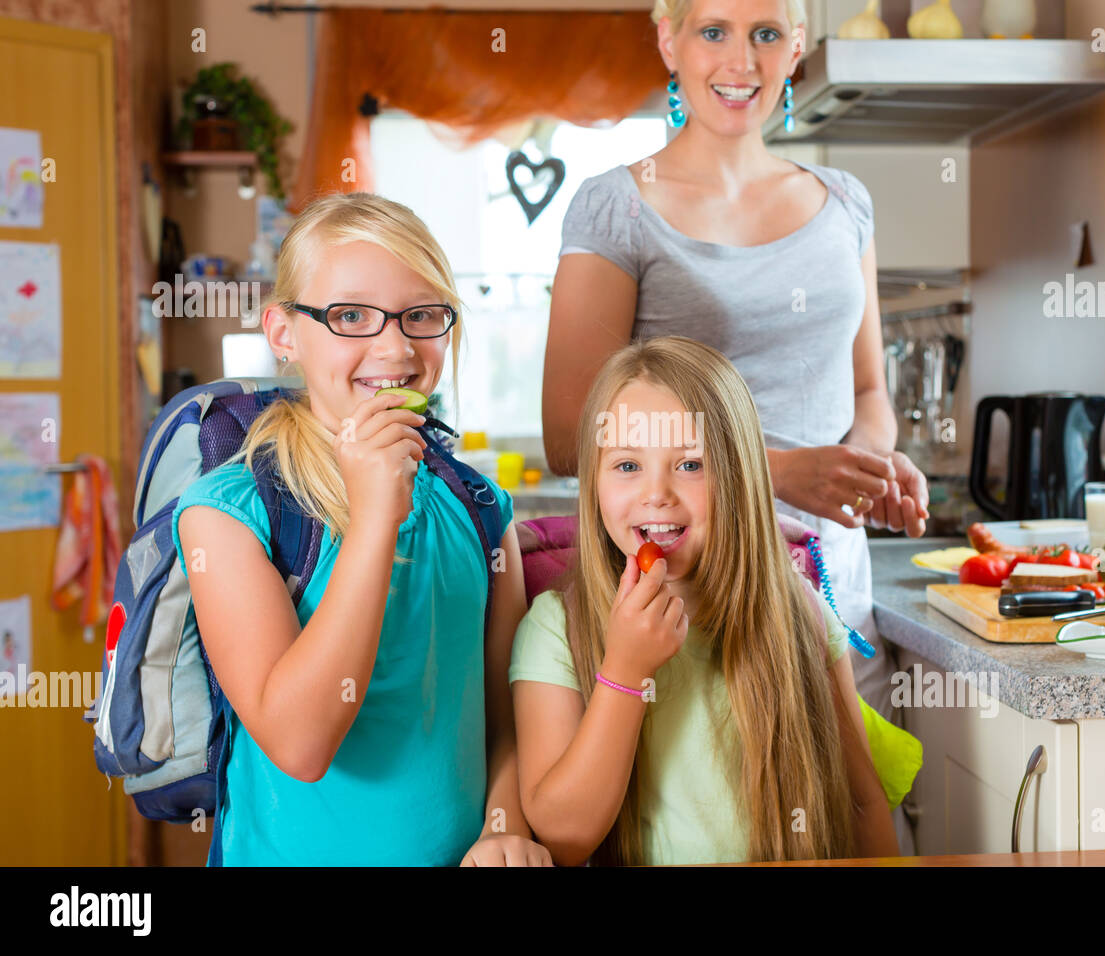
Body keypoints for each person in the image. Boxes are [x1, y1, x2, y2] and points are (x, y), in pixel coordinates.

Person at [542, 0, 930, 742]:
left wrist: (871, 468)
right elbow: (570, 436)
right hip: (693, 584)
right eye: (712, 31)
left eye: (766, 34)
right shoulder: (616, 207)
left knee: (856, 820)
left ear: (796, 47)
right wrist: (775, 472)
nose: (740, 61)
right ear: (668, 40)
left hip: (836, 582)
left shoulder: (846, 202)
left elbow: (868, 392)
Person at [173, 193, 550, 866]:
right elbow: (300, 744)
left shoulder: (481, 506)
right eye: (350, 315)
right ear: (284, 332)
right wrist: (375, 520)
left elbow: (505, 715)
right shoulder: (227, 511)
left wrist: (501, 826)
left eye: (423, 315)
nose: (396, 346)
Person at [512, 336, 899, 865]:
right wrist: (625, 669)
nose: (657, 493)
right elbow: (565, 835)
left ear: (738, 477)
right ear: (593, 483)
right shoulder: (555, 627)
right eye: (627, 466)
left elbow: (861, 802)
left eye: (690, 465)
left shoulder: (798, 610)